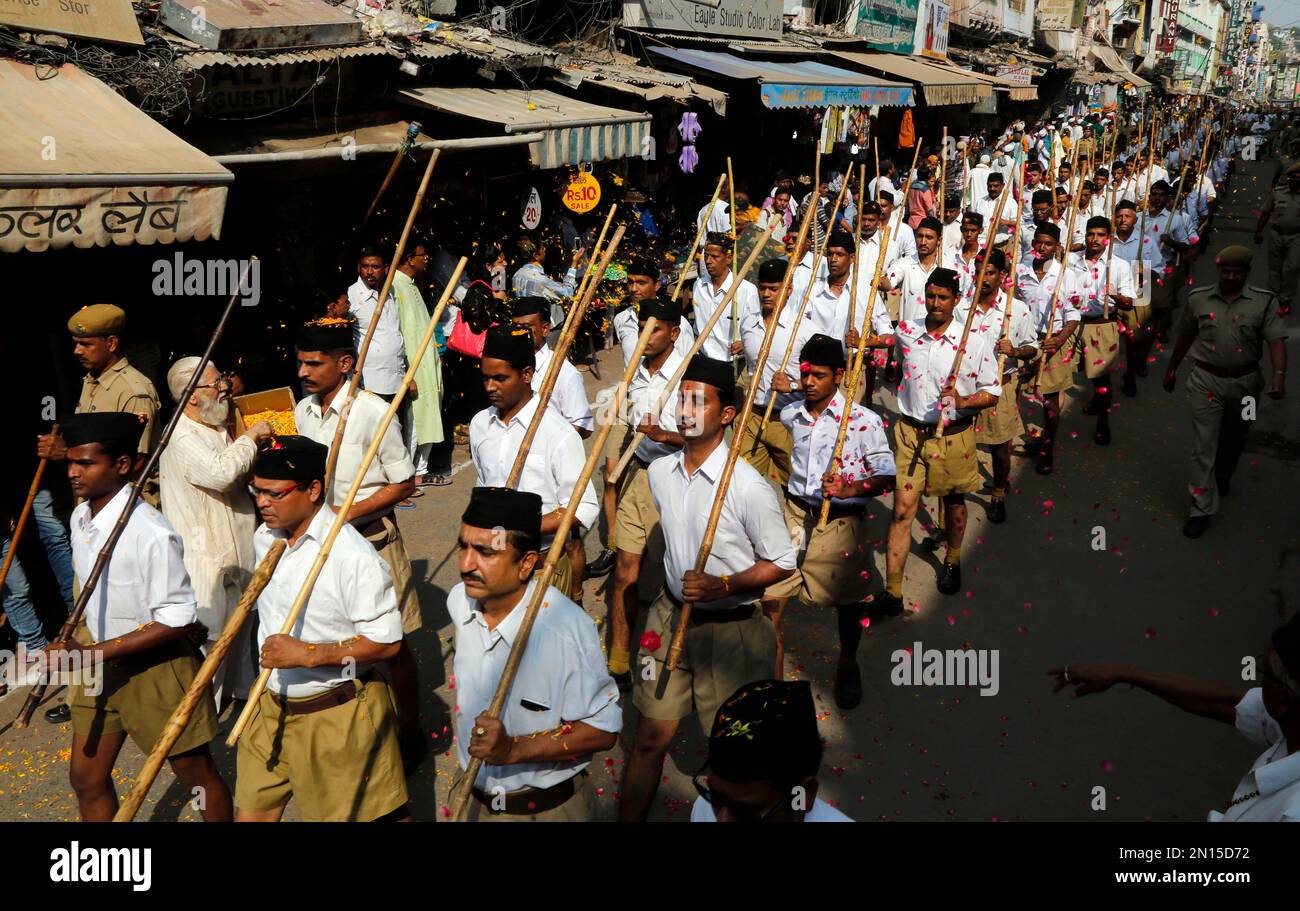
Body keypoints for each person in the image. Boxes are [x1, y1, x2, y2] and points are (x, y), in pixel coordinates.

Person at [620, 355, 796, 822]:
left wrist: (726, 583)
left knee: (736, 757)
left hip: (733, 630)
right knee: (648, 738)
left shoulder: (747, 486)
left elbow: (782, 560)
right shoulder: (660, 474)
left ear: (727, 414)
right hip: (671, 614)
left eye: (700, 401)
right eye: (683, 397)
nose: (687, 408)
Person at [55, 412, 230, 822]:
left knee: (196, 776)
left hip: (155, 670)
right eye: (70, 462)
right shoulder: (80, 517)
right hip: (96, 667)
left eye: (86, 463)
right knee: (86, 778)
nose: (73, 473)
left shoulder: (150, 531)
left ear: (122, 465)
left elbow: (176, 619)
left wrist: (94, 653)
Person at [234, 435, 409, 822]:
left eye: (274, 494)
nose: (262, 503)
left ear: (314, 489)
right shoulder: (266, 537)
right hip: (269, 708)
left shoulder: (351, 555)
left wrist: (312, 654)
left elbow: (388, 643)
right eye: (256, 491)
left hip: (336, 713)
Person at [292, 317, 424, 763]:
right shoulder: (302, 410)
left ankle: (411, 731)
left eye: (314, 364)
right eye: (300, 363)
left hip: (373, 542)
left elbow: (404, 483)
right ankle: (359, 733)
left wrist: (342, 515)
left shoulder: (372, 410)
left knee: (393, 646)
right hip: (323, 553)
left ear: (345, 363)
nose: (303, 373)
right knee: (342, 642)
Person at [446, 486, 620, 822]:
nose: (467, 565)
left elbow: (603, 730)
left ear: (526, 564)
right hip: (470, 798)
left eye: (486, 552)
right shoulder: (459, 601)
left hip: (544, 811)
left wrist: (513, 750)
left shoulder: (565, 629)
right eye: (462, 547)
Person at [1048, 612, 1300, 821]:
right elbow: (1229, 704)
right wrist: (1125, 673)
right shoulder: (1291, 724)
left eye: (1263, 672)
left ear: (1284, 699)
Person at [36, 303, 160, 724]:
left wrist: (63, 455)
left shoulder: (134, 389)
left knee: (117, 602)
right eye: (74, 342)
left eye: (85, 343)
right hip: (89, 513)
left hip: (120, 514)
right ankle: (86, 690)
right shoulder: (92, 383)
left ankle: (122, 687)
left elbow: (134, 461)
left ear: (112, 342)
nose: (76, 351)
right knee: (87, 602)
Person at [765, 335, 895, 707]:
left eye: (818, 376)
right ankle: (773, 684)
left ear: (839, 375)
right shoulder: (791, 413)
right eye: (805, 375)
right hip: (793, 515)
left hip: (839, 522)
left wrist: (851, 486)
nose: (808, 383)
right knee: (771, 600)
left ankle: (848, 661)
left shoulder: (863, 421)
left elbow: (886, 476)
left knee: (848, 603)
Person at [879, 269, 1000, 610]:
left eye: (943, 298)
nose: (935, 303)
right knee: (902, 512)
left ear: (956, 300)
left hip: (952, 438)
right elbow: (900, 366)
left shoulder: (972, 343)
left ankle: (953, 558)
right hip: (910, 434)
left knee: (954, 503)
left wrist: (962, 402)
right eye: (930, 296)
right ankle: (892, 591)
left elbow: (993, 392)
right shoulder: (907, 333)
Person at [159, 357, 270, 709]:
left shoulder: (217, 424)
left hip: (239, 545)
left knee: (242, 630)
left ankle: (241, 698)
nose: (224, 387)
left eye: (222, 379)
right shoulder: (179, 436)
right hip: (206, 555)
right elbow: (220, 473)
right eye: (215, 383)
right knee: (214, 638)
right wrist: (252, 438)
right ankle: (202, 711)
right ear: (190, 396)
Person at [1162, 245, 1287, 538]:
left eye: (1237, 272)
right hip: (1206, 380)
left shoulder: (1264, 302)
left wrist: (1278, 376)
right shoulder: (1199, 298)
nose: (1230, 277)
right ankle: (1200, 508)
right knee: (1204, 444)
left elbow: (1276, 341)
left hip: (1246, 386)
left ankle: (1224, 474)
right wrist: (1172, 368)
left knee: (1237, 436)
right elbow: (1185, 334)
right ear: (1218, 270)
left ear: (1246, 273)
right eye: (1225, 271)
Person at [470, 326, 598, 600]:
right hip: (493, 564)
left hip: (543, 565)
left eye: (500, 378)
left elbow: (582, 506)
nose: (490, 387)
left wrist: (521, 527)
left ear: (527, 374)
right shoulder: (480, 424)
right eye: (485, 379)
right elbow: (482, 486)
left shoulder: (557, 433)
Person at [606, 298, 685, 689]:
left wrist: (665, 436)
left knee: (671, 578)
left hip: (675, 476)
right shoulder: (634, 370)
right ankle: (619, 660)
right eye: (641, 326)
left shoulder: (688, 373)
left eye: (654, 328)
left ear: (673, 333)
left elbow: (704, 436)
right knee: (624, 573)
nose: (644, 335)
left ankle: (667, 653)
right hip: (638, 476)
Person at [690, 679, 852, 822]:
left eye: (745, 813)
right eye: (715, 798)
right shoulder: (705, 806)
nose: (720, 819)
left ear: (803, 796)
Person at [956, 249, 1036, 523]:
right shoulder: (960, 309)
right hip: (965, 387)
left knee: (1000, 447)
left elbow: (1032, 347)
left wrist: (1014, 351)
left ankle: (999, 491)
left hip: (1000, 386)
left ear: (1002, 276)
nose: (983, 278)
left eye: (989, 272)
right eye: (978, 272)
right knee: (960, 445)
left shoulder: (1017, 310)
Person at [738, 258, 818, 485]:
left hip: (790, 421)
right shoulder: (748, 325)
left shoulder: (804, 330)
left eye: (774, 289)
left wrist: (792, 386)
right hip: (752, 418)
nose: (766, 294)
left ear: (788, 289)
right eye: (762, 288)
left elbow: (825, 380)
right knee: (741, 485)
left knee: (797, 488)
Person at [1016, 223, 1080, 476]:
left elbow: (1074, 314)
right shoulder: (1021, 271)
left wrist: (1059, 339)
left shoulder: (1067, 275)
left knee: (1050, 399)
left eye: (1048, 244)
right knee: (1019, 393)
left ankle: (1048, 447)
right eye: (1037, 243)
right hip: (1026, 342)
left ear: (1057, 247)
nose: (1041, 248)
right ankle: (1030, 438)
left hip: (1055, 339)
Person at [1068, 216, 1134, 447]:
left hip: (1101, 325)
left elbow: (1129, 304)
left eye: (1100, 235)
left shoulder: (1119, 265)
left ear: (1108, 238)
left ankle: (1103, 423)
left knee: (1101, 378)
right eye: (1090, 234)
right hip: (1072, 324)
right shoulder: (1070, 261)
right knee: (1059, 376)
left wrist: (1114, 293)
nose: (1094, 239)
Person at [392, 243, 448, 487]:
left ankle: (421, 470)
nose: (426, 258)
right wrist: (407, 372)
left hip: (427, 363)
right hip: (413, 367)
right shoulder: (395, 285)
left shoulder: (412, 285)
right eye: (421, 255)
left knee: (429, 414)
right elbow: (398, 333)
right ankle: (410, 472)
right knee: (416, 419)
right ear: (408, 259)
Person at [509, 297, 594, 438]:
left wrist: (550, 442)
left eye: (526, 327)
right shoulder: (507, 366)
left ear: (545, 329)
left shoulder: (565, 373)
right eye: (515, 327)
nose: (519, 333)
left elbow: (584, 427)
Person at [346, 247, 409, 403]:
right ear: (358, 267)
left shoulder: (392, 292)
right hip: (370, 382)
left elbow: (396, 334)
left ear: (386, 268)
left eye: (375, 267)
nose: (369, 272)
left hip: (397, 378)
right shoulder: (351, 296)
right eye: (365, 266)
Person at [691, 232, 760, 363]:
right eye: (706, 256)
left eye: (714, 257)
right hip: (704, 358)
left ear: (728, 258)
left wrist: (744, 343)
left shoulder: (746, 290)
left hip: (733, 362)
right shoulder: (699, 286)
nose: (708, 261)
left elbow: (756, 332)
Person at [1253, 161, 1300, 316]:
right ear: (1288, 178)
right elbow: (1266, 212)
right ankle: (1273, 296)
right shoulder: (1278, 193)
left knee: (1292, 268)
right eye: (1294, 177)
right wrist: (1258, 231)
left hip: (1296, 236)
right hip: (1276, 234)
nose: (1296, 180)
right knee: (1275, 267)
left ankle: (1285, 299)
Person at [511, 234, 583, 330]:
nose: (544, 249)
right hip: (546, 331)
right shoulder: (540, 279)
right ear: (536, 255)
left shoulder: (516, 276)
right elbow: (567, 294)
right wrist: (574, 264)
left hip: (526, 327)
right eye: (542, 248)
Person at [882, 217, 945, 324]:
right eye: (920, 236)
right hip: (908, 335)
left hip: (938, 335)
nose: (923, 242)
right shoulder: (905, 263)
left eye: (929, 237)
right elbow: (888, 281)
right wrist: (881, 282)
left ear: (939, 240)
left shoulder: (947, 266)